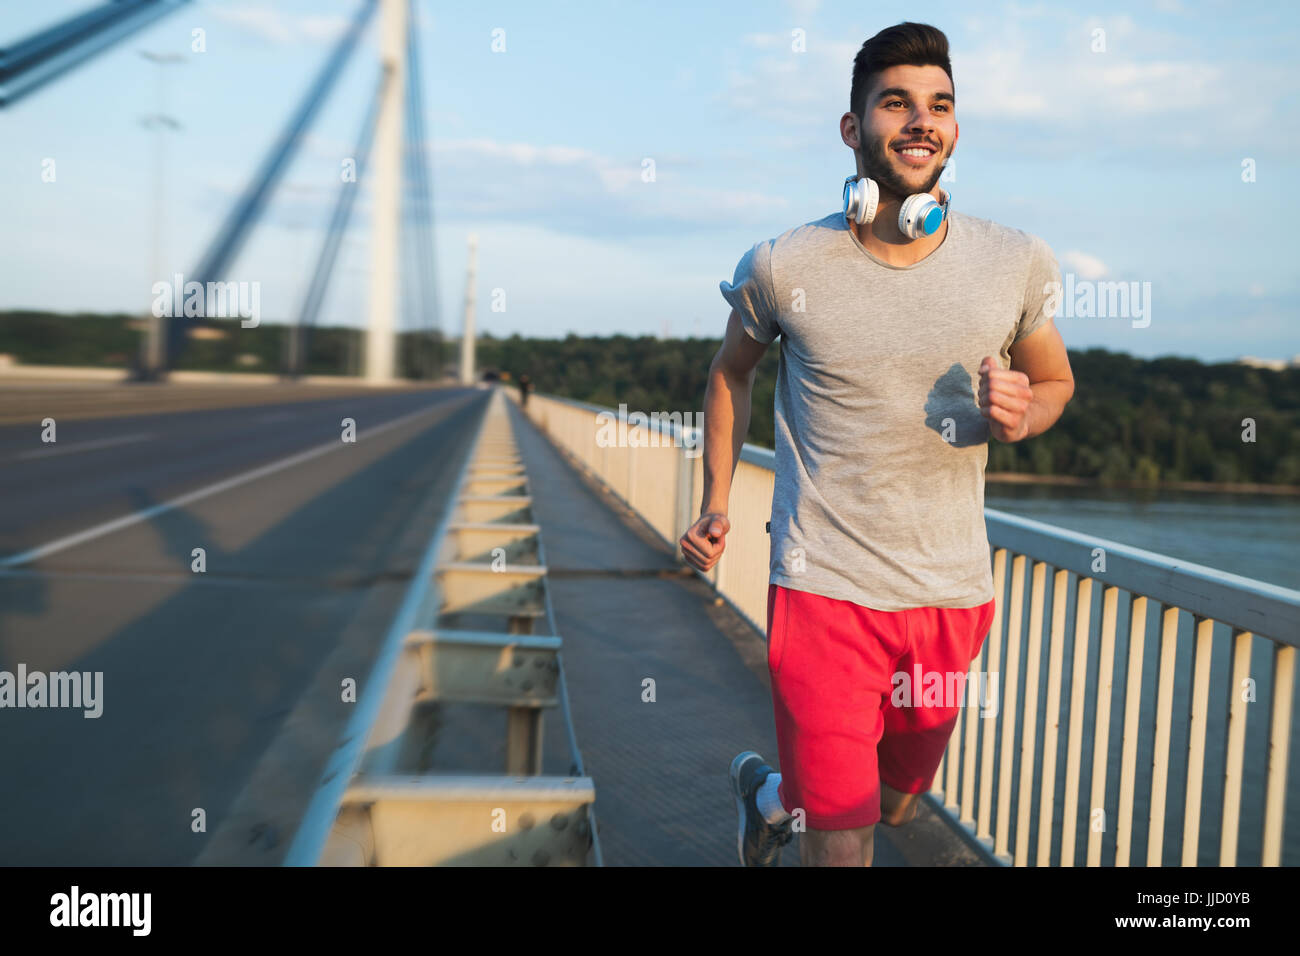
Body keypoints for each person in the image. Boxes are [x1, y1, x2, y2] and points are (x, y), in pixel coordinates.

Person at [679, 22, 1075, 867]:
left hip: (951, 591)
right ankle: (810, 810)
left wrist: (1024, 413)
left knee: (895, 803)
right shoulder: (784, 265)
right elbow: (729, 373)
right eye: (897, 103)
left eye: (940, 105)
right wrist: (715, 502)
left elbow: (1054, 382)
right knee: (845, 840)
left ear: (954, 130)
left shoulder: (1014, 262)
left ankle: (769, 799)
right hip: (824, 587)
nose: (921, 120)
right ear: (853, 128)